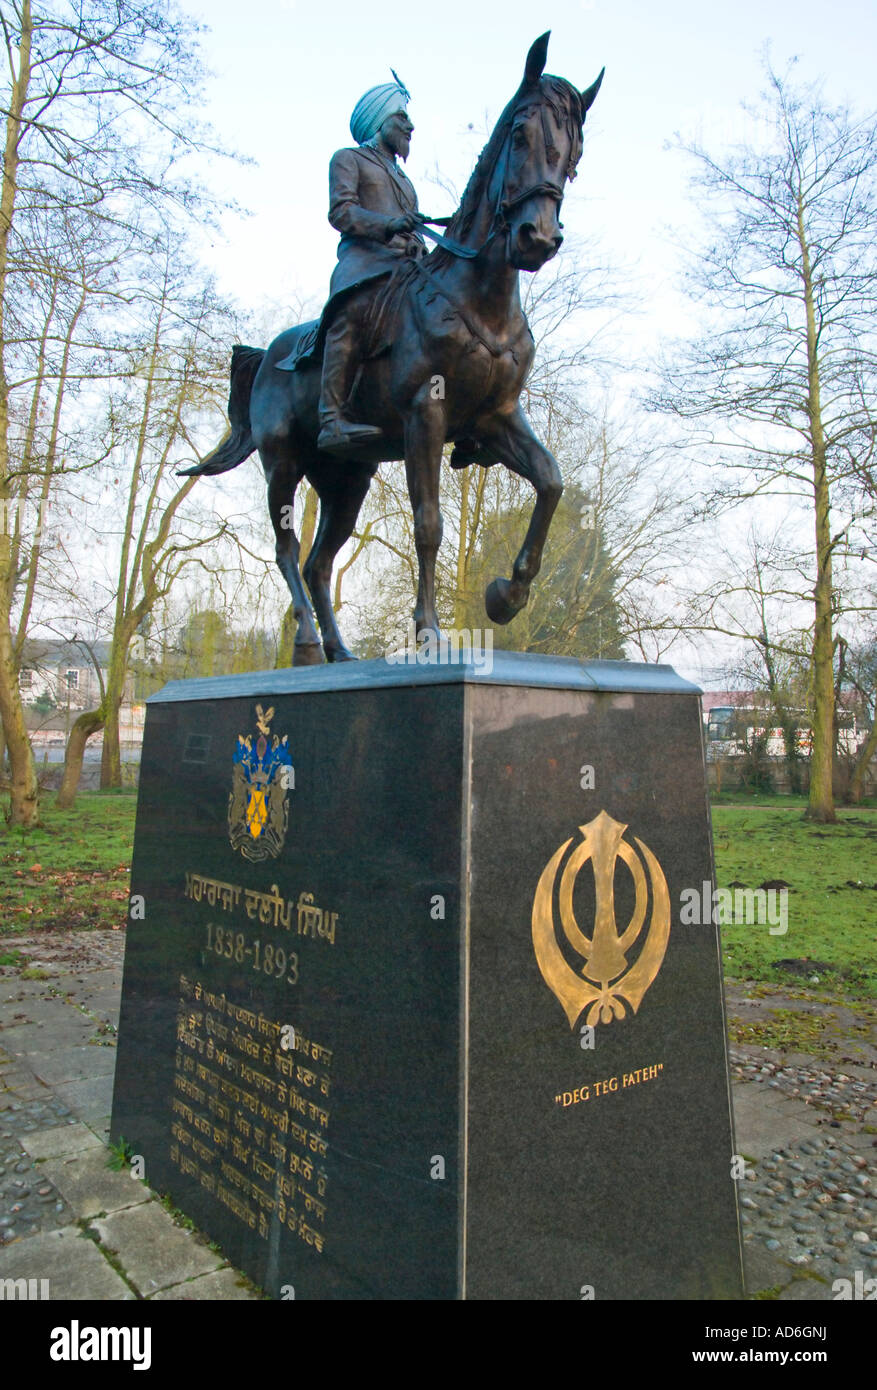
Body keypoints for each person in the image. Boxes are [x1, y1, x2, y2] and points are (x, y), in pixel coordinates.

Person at [315, 72, 428, 455]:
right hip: (364, 265)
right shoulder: (348, 159)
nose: (410, 125)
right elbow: (341, 212)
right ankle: (330, 418)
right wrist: (389, 226)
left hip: (407, 268)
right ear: (380, 120)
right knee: (351, 316)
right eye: (402, 117)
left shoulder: (404, 180)